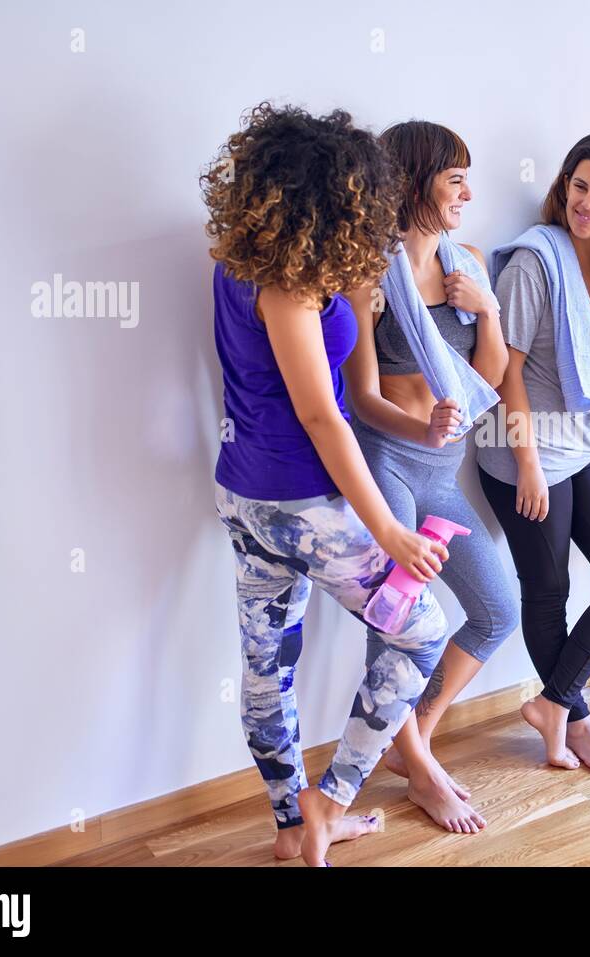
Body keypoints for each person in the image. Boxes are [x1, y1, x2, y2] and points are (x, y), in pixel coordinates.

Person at [203, 103, 450, 866]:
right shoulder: (287, 285)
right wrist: (389, 532)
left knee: (269, 662)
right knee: (424, 630)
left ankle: (289, 826)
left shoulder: (240, 260)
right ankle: (329, 797)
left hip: (245, 492)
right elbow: (320, 414)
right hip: (305, 502)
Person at [342, 120, 517, 834]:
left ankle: (416, 732)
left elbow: (493, 379)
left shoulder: (466, 264)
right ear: (414, 184)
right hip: (389, 460)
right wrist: (425, 429)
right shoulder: (368, 272)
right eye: (454, 180)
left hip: (446, 470)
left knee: (497, 607)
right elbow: (360, 400)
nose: (468, 194)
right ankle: (418, 768)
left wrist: (490, 310)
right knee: (397, 623)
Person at [475, 134, 590, 776]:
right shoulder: (534, 264)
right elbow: (506, 372)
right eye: (579, 186)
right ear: (564, 186)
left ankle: (554, 704)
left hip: (581, 445)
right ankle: (576, 721)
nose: (586, 203)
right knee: (547, 592)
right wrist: (526, 463)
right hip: (522, 451)